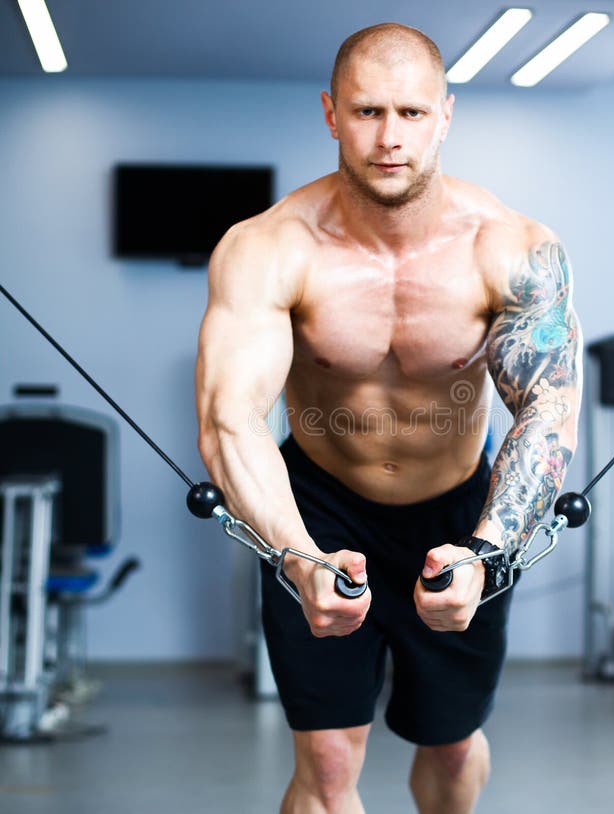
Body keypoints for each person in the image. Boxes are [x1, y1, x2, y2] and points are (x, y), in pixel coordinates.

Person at [195, 21, 582, 814]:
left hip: (458, 510)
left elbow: (547, 408)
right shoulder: (269, 247)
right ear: (332, 114)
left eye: (410, 114)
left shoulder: (510, 248)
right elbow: (230, 418)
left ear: (445, 115)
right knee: (329, 767)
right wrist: (299, 557)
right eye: (368, 113)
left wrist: (486, 549)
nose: (389, 139)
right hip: (320, 506)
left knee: (450, 744)